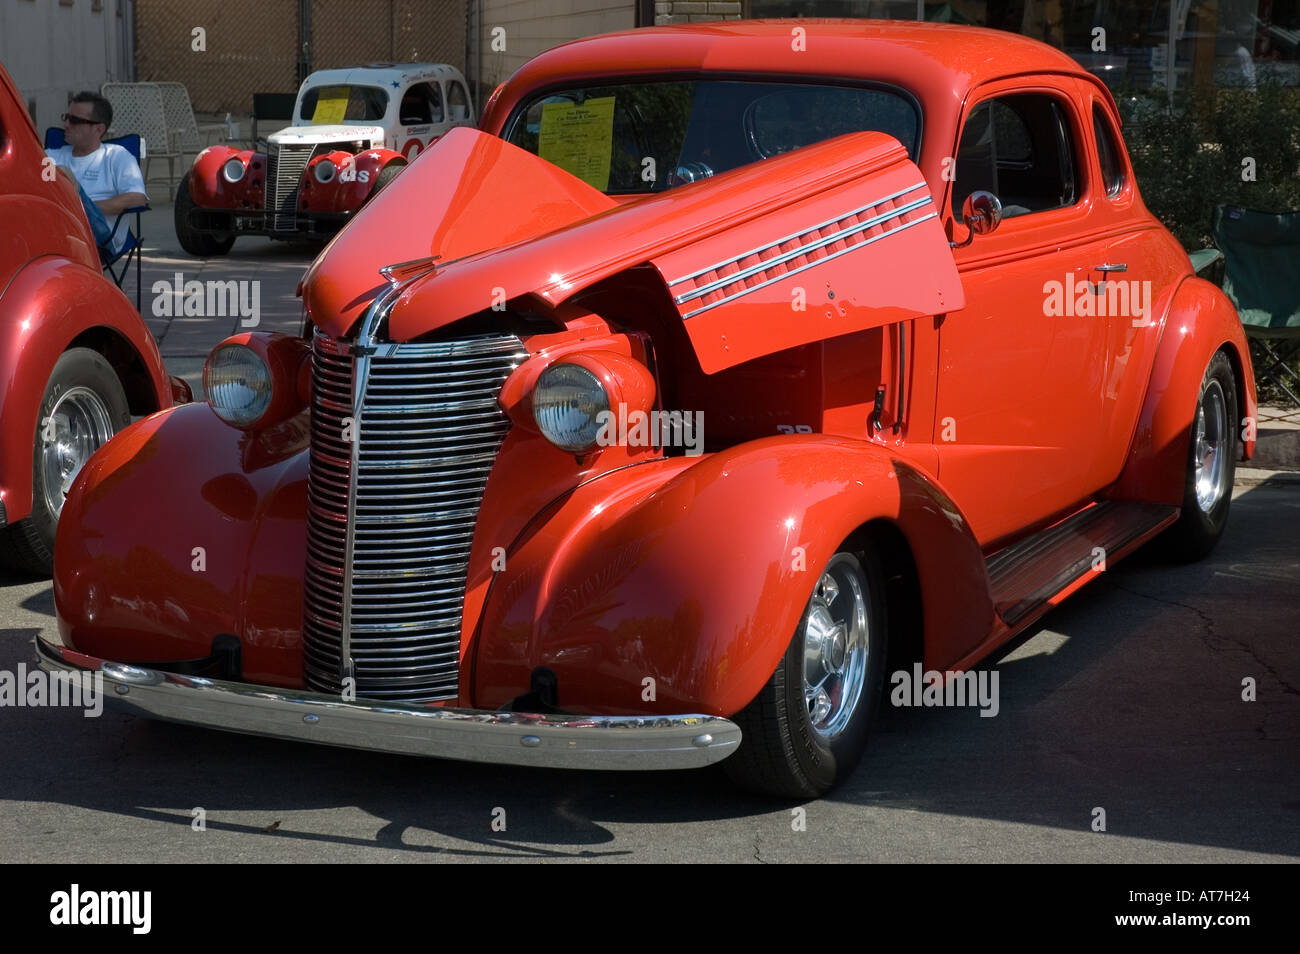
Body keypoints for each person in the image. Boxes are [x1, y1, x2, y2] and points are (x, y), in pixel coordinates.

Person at [44, 91, 147, 255]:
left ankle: (76, 207)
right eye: (67, 117)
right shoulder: (51, 155)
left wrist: (87, 208)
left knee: (62, 174)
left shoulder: (116, 156)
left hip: (100, 240)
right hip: (55, 230)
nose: (66, 125)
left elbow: (137, 198)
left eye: (75, 120)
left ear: (99, 129)